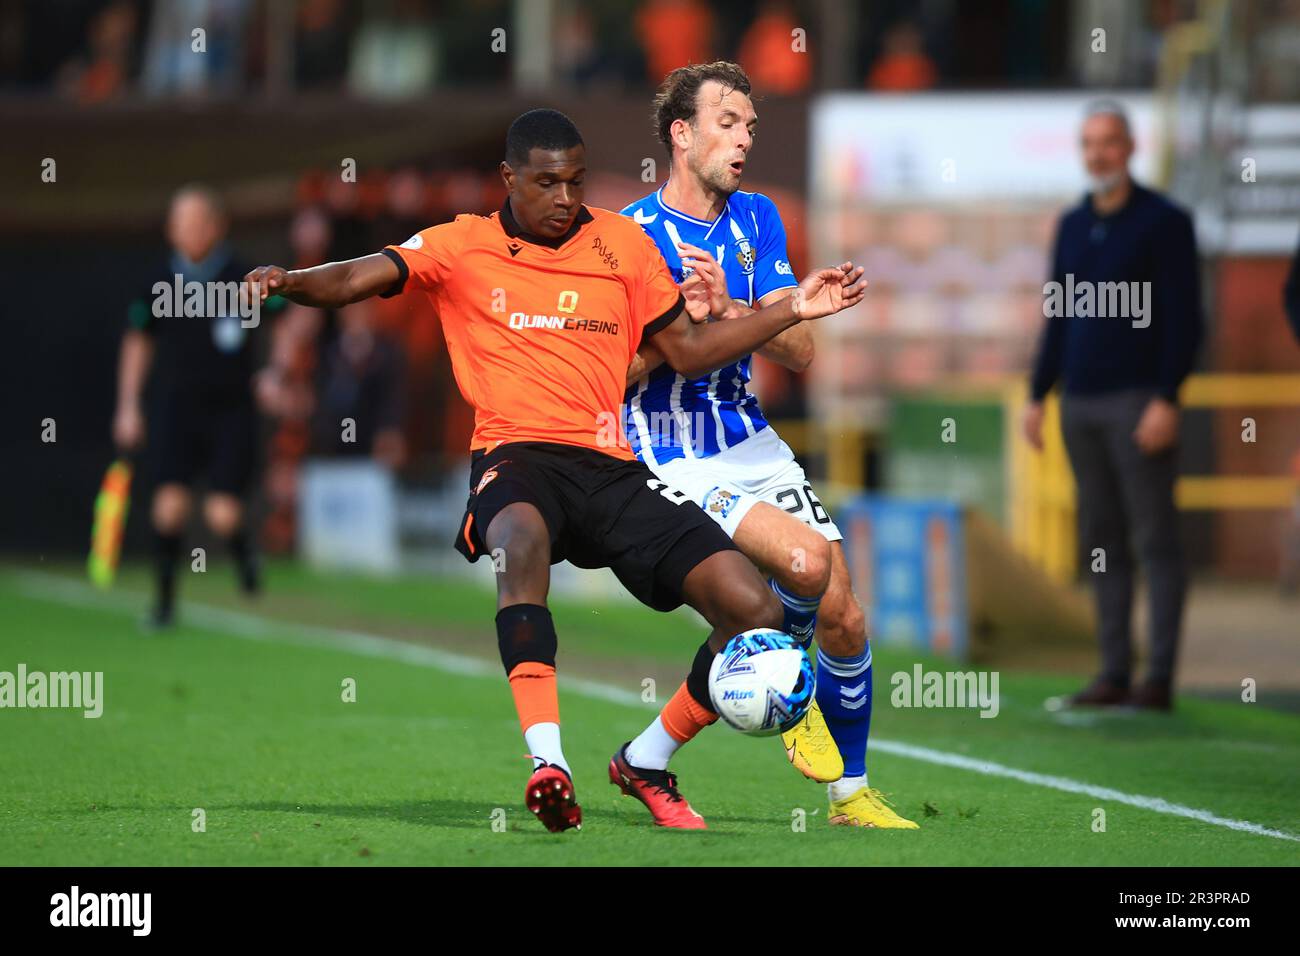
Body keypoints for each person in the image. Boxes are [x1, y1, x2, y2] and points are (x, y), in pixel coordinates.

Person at [243, 109, 867, 833]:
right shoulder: (461, 243)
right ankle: (550, 763)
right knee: (519, 540)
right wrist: (289, 280)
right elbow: (360, 275)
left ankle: (645, 757)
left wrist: (793, 306)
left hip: (610, 464)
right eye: (546, 183)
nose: (565, 198)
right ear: (509, 179)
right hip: (516, 456)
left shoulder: (622, 244)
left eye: (574, 181)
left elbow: (691, 350)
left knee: (753, 610)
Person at [616, 62, 916, 829]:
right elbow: (610, 369)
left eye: (750, 125)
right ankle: (792, 681)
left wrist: (735, 306)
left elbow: (802, 350)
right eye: (727, 122)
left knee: (846, 616)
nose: (744, 138)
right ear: (681, 135)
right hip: (671, 452)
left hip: (749, 438)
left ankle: (847, 796)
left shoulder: (759, 219)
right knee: (806, 568)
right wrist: (684, 326)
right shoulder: (627, 239)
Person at [1024, 100, 1203, 712]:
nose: (1099, 153)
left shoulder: (1164, 223)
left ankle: (1159, 680)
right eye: (1089, 143)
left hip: (1138, 403)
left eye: (1109, 142)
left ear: (1129, 148)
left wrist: (1168, 398)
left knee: (1155, 539)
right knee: (1101, 538)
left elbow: (1186, 319)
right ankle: (1113, 672)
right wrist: (1037, 394)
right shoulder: (1075, 224)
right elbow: (1059, 313)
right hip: (1081, 403)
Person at [113, 184, 280, 627]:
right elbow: (138, 341)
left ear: (216, 226)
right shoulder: (159, 282)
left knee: (222, 514)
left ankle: (245, 558)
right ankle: (164, 605)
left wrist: (277, 371)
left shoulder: (243, 277)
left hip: (231, 409)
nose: (187, 232)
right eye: (180, 224)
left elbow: (291, 313)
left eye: (196, 222)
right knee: (168, 507)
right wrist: (128, 404)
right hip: (176, 407)